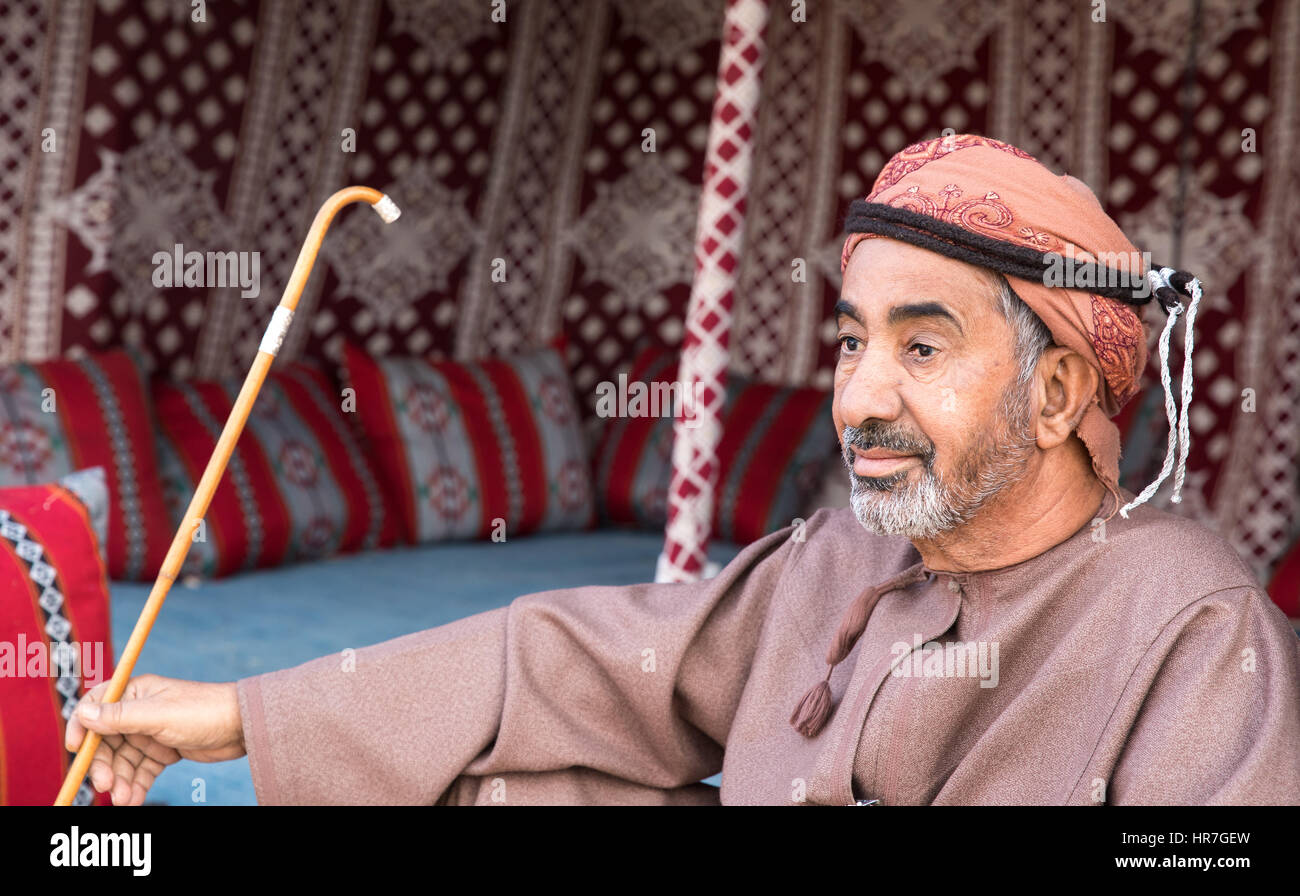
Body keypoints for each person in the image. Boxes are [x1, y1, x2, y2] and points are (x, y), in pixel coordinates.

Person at [68, 135, 1300, 805]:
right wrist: (240, 716)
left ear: (1057, 394)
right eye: (852, 339)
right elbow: (576, 658)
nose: (860, 395)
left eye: (922, 345)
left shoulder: (1194, 631)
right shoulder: (839, 560)